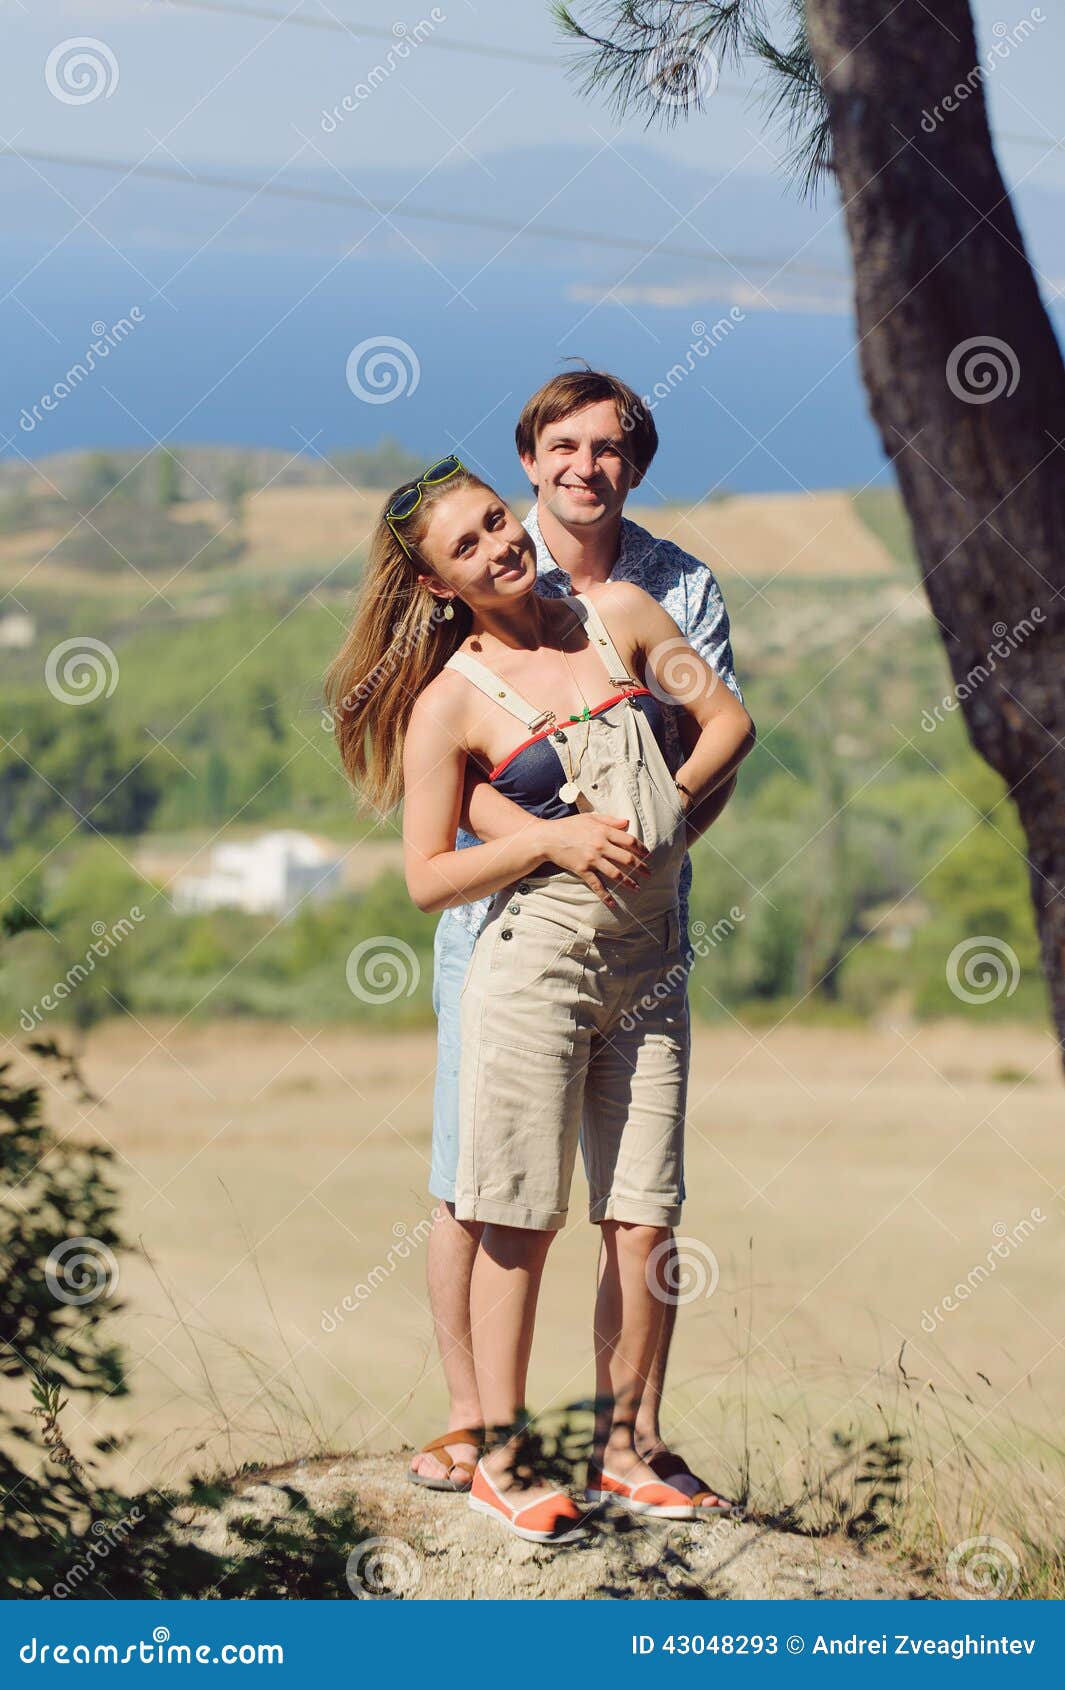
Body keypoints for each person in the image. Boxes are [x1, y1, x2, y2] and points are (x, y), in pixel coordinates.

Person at [326, 458, 754, 1542]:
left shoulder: (624, 613)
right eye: (465, 547)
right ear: (438, 585)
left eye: (492, 522)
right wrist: (551, 843)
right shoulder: (448, 703)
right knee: (515, 1217)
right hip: (533, 970)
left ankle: (625, 1454)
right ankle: (501, 1456)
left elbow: (727, 722)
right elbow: (427, 876)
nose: (497, 547)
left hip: (649, 960)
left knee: (645, 1213)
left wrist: (666, 813)